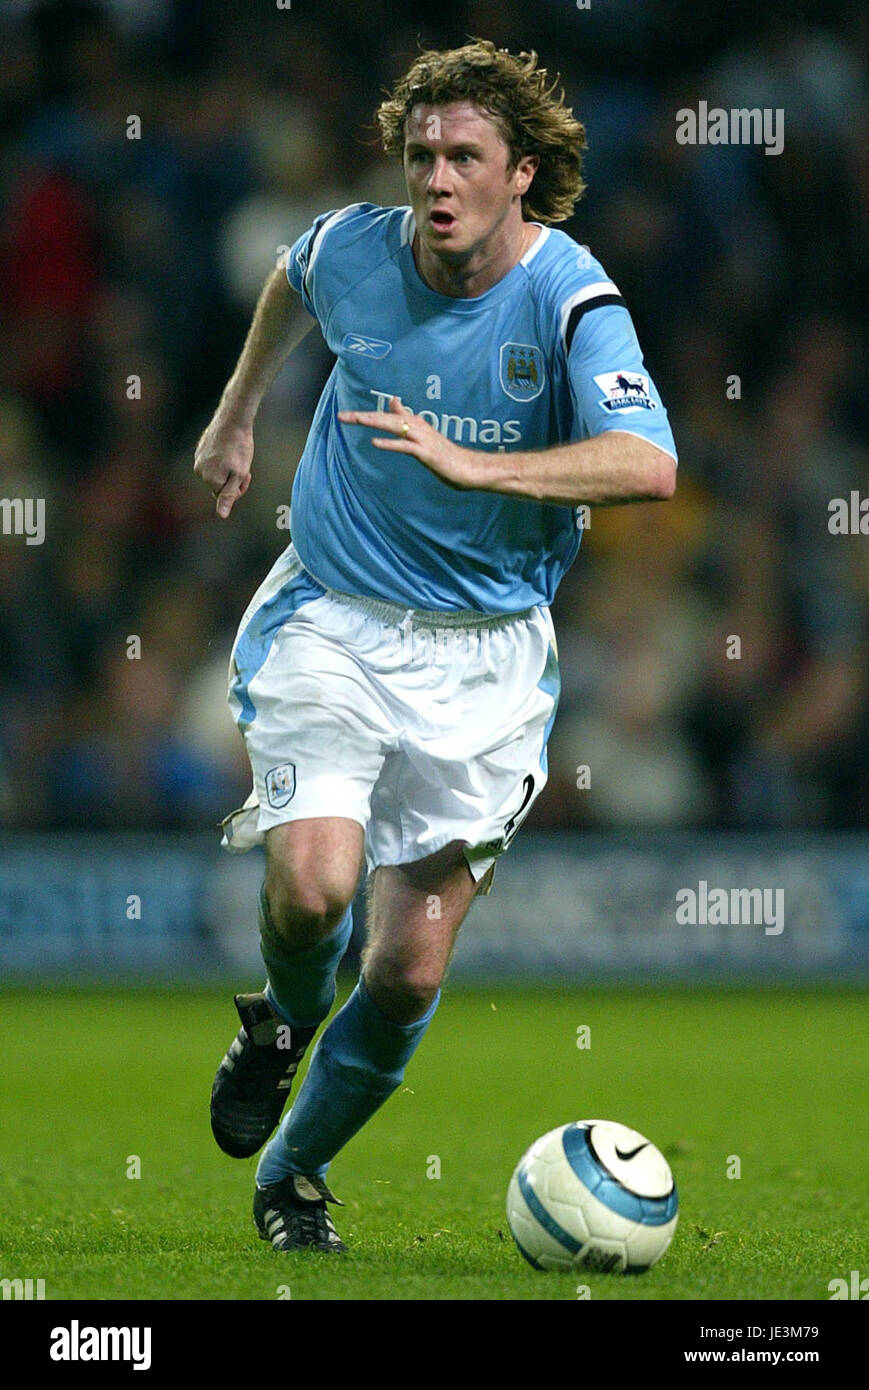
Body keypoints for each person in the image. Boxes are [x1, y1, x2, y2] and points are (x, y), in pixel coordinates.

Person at [193, 38, 677, 1254]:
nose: (436, 179)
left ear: (520, 173)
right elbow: (288, 282)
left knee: (406, 969)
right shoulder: (353, 246)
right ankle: (282, 1024)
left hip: (489, 656)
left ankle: (289, 1178)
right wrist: (235, 412)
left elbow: (650, 463)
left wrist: (485, 465)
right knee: (313, 887)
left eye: (464, 156)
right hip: (335, 620)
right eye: (421, 155)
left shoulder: (569, 296)